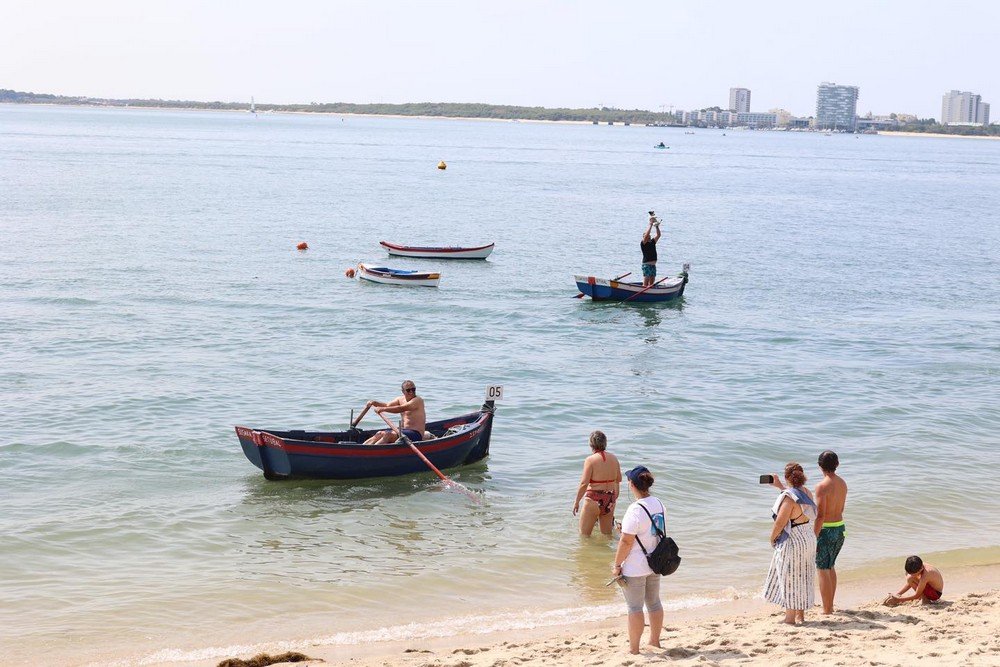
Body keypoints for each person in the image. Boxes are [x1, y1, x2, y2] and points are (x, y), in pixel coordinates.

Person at [611, 466, 664, 654]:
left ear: (632, 484)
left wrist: (617, 566)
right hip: (655, 563)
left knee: (634, 607)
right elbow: (653, 531)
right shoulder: (658, 503)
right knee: (655, 603)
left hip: (635, 567)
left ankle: (634, 649)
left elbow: (626, 542)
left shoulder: (634, 509)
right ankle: (655, 641)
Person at [763, 462, 817, 624]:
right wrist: (780, 486)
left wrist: (772, 538)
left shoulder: (788, 498)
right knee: (803, 576)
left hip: (794, 540)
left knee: (789, 577)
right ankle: (801, 615)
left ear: (788, 477)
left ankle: (790, 617)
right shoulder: (807, 492)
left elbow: (780, 522)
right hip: (808, 537)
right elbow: (796, 496)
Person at [814, 450, 848, 614]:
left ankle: (827, 609)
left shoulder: (821, 487)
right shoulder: (842, 483)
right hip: (840, 528)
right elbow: (841, 508)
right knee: (831, 565)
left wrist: (813, 534)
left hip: (826, 530)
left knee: (822, 569)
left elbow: (820, 515)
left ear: (820, 466)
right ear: (837, 464)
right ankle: (830, 605)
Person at [572, 431, 622, 536]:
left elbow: (584, 484)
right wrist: (614, 497)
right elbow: (618, 479)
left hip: (593, 500)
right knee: (607, 536)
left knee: (584, 536)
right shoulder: (614, 458)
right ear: (605, 443)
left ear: (591, 444)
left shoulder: (590, 460)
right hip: (610, 499)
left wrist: (576, 502)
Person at [362, 380, 426, 444]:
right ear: (403, 391)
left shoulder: (418, 400)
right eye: (408, 390)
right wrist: (374, 403)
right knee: (379, 433)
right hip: (402, 431)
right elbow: (387, 405)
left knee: (388, 435)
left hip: (416, 434)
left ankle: (373, 451)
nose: (411, 392)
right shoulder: (400, 399)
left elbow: (401, 408)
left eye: (413, 389)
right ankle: (363, 448)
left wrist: (382, 409)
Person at [640, 212, 662, 287]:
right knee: (646, 281)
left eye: (648, 235)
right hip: (647, 264)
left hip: (653, 265)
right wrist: (650, 224)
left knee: (652, 282)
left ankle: (650, 292)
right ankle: (644, 292)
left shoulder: (652, 241)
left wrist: (656, 226)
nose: (647, 236)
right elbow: (646, 236)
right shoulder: (643, 243)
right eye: (645, 235)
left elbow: (658, 235)